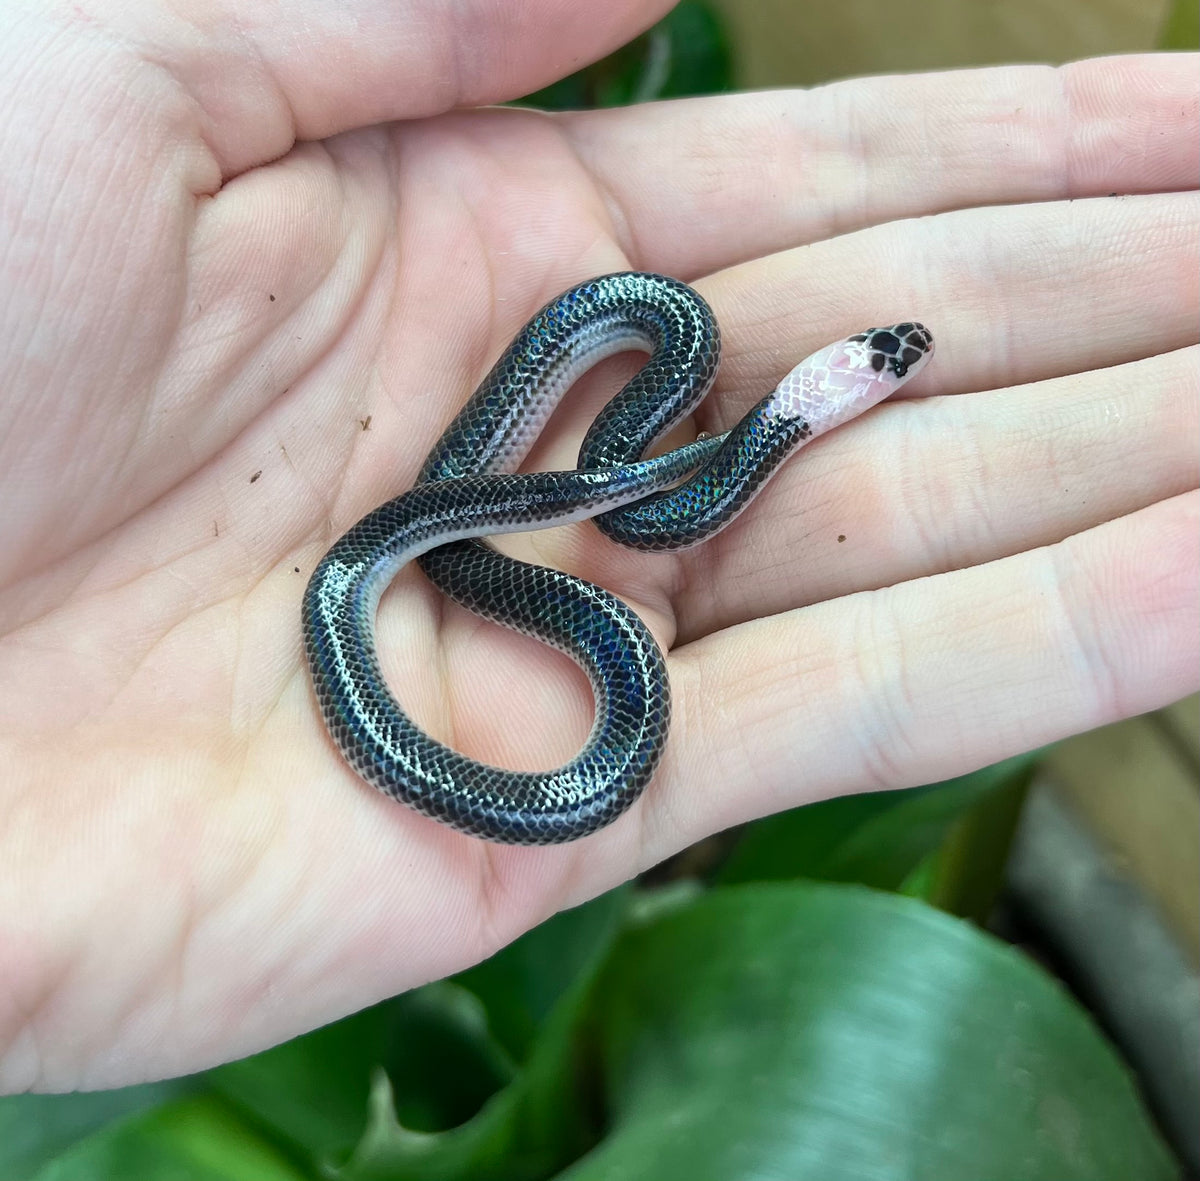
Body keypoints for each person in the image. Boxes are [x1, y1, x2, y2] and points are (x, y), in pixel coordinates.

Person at [0, 0, 1194, 1092]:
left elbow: (643, 494)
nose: (884, 357)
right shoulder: (667, 358)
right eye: (881, 355)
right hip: (434, 543)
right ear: (826, 384)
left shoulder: (679, 361)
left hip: (516, 515)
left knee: (597, 508)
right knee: (568, 511)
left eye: (880, 362)